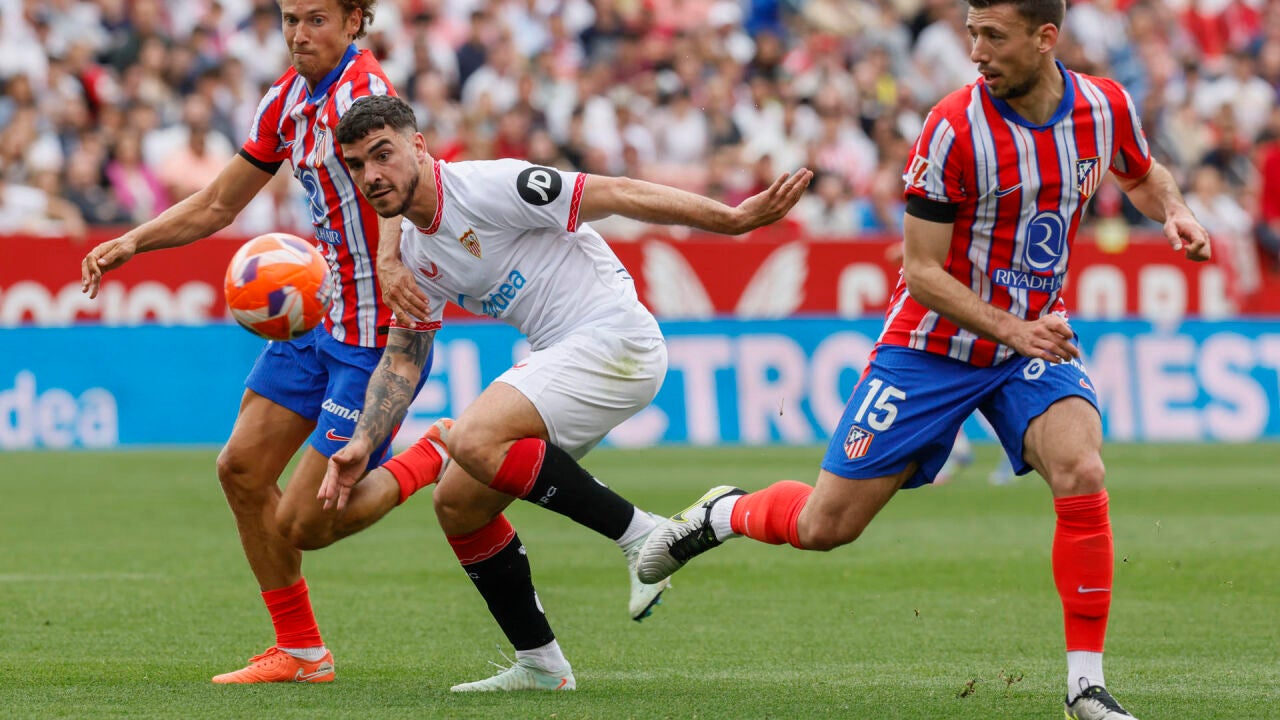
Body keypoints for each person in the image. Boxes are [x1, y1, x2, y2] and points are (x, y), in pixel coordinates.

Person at [637, 1, 1210, 719]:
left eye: (992, 36)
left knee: (1082, 468)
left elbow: (1141, 171)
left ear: (1046, 38)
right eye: (971, 33)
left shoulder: (1104, 105)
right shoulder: (953, 129)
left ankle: (1085, 687)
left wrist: (1176, 212)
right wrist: (1012, 329)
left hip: (1027, 341)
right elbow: (921, 272)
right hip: (931, 347)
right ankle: (721, 514)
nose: (975, 51)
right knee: (826, 527)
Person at [321, 94, 811, 691]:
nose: (372, 175)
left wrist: (731, 222)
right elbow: (404, 357)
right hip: (566, 354)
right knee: (457, 504)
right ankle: (541, 665)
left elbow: (619, 192)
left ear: (418, 148)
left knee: (474, 437)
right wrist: (362, 442)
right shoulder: (411, 253)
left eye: (383, 155)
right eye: (357, 164)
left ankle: (646, 534)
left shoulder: (490, 186)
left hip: (615, 335)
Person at [78, 0, 449, 684]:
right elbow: (220, 204)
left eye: (315, 20)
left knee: (306, 524)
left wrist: (392, 260)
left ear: (353, 20)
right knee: (241, 470)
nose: (299, 35)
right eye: (289, 20)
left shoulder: (367, 95)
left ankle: (434, 452)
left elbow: (406, 186)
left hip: (378, 341)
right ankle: (302, 652)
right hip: (321, 321)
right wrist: (134, 241)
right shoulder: (284, 100)